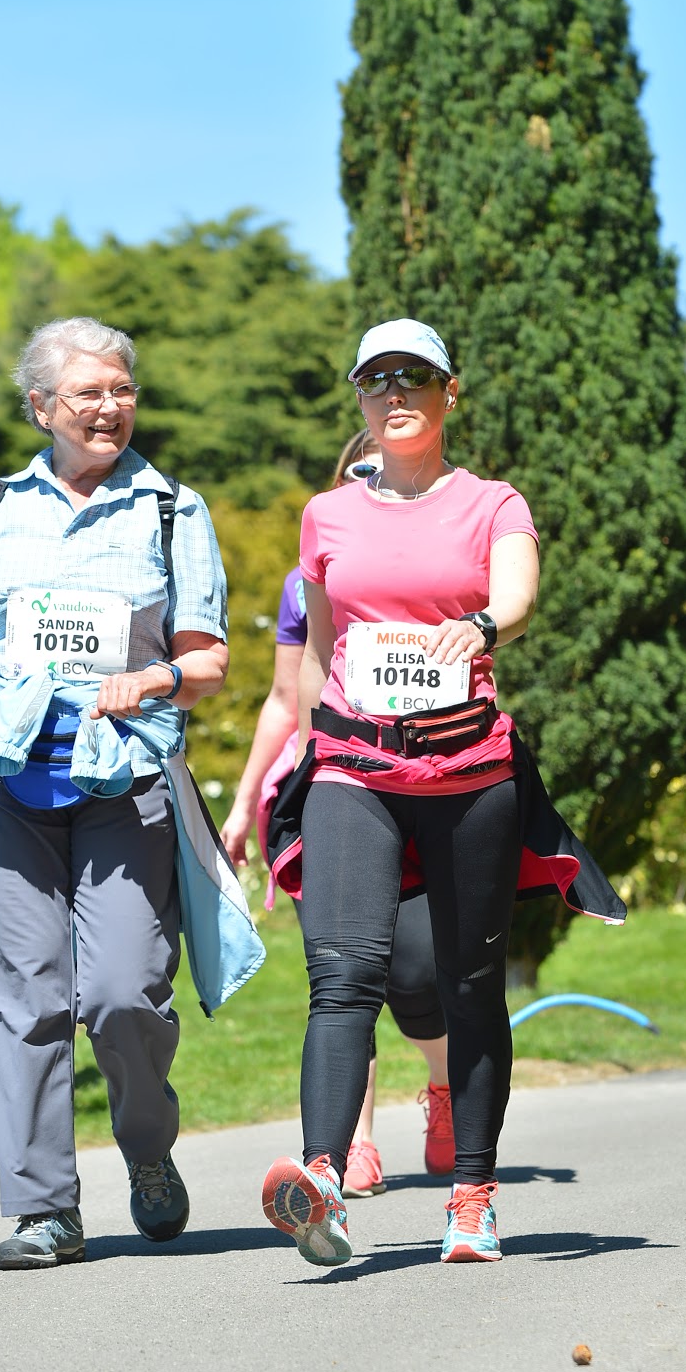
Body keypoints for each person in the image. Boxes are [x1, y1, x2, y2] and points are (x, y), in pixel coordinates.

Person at [0, 315, 252, 1270]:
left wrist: (151, 681)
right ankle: (44, 1210)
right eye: (89, 393)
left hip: (124, 781)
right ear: (42, 408)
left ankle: (148, 1153)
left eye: (123, 390)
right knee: (17, 999)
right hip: (2, 784)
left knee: (121, 994)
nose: (110, 407)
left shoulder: (170, 509)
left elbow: (207, 660)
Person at [261, 318, 625, 1269]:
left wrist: (482, 625)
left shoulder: (492, 503)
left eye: (414, 378)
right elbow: (322, 642)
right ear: (358, 399)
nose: (395, 393)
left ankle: (471, 1192)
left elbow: (517, 593)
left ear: (448, 393)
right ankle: (324, 1181)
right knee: (340, 976)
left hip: (469, 775)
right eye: (376, 379)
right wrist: (305, 750)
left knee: (467, 985)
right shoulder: (327, 514)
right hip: (352, 769)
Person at [221, 431, 454, 1197]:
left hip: (424, 780)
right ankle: (355, 1143)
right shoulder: (306, 583)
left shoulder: (439, 562)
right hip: (331, 784)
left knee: (415, 972)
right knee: (344, 971)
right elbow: (286, 698)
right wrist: (245, 794)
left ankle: (444, 1086)